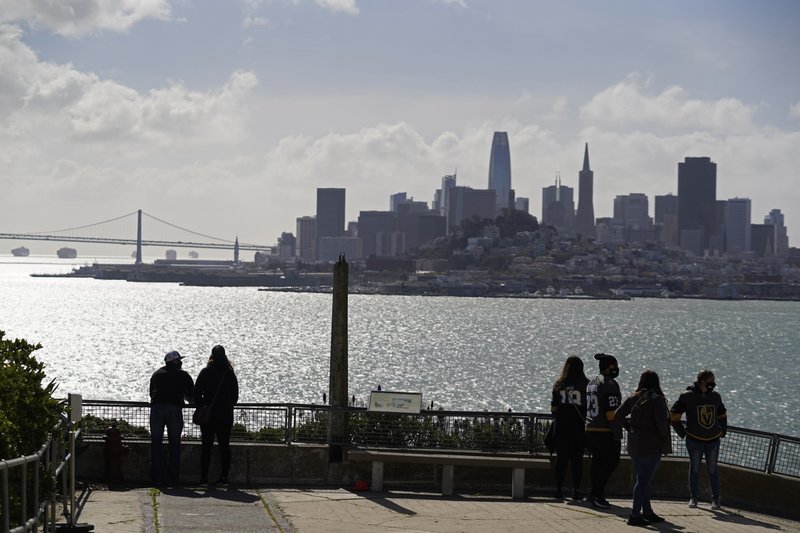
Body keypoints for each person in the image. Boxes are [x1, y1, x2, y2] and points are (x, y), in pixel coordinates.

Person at [614, 370, 671, 527]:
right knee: (643, 481)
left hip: (634, 444)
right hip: (651, 445)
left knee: (643, 479)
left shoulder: (634, 396)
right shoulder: (657, 399)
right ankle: (634, 515)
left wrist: (630, 428)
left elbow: (618, 415)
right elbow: (662, 424)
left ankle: (647, 512)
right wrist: (664, 438)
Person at [670, 369, 727, 510]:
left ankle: (715, 499)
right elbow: (673, 415)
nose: (713, 384)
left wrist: (723, 431)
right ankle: (693, 498)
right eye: (710, 381)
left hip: (713, 440)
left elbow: (722, 414)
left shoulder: (715, 397)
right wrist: (682, 433)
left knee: (713, 469)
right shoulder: (687, 397)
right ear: (702, 381)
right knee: (695, 468)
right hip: (694, 440)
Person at [194, 344, 239, 486]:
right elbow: (235, 396)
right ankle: (224, 478)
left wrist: (203, 405)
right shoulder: (229, 373)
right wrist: (226, 405)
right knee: (224, 446)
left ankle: (203, 478)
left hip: (209, 414)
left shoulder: (205, 372)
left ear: (212, 356)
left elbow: (196, 392)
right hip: (225, 414)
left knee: (206, 446)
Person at [149, 350, 194, 486]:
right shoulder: (183, 375)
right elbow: (191, 394)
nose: (181, 362)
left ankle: (157, 478)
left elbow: (151, 393)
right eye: (179, 360)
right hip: (174, 409)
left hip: (157, 409)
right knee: (175, 444)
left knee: (156, 443)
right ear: (175, 362)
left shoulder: (156, 374)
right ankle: (172, 478)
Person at [585, 352, 622, 509]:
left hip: (590, 427)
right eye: (614, 366)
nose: (616, 369)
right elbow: (611, 412)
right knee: (611, 462)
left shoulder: (592, 382)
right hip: (605, 429)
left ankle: (596, 495)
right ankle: (596, 493)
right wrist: (618, 431)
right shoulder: (609, 383)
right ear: (608, 367)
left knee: (597, 462)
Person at [550, 355, 589, 500]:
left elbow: (553, 408)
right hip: (578, 427)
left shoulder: (559, 384)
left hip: (561, 426)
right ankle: (576, 490)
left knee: (561, 459)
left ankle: (559, 489)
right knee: (577, 460)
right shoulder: (585, 384)